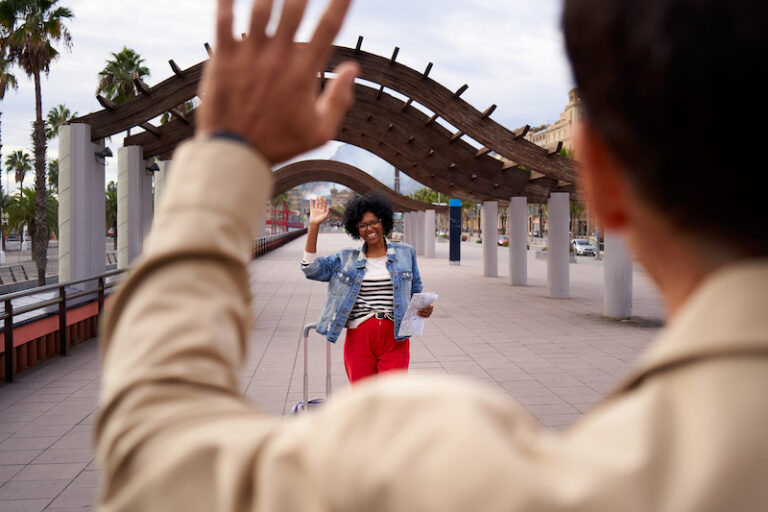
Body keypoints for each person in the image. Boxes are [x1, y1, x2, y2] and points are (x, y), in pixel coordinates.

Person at [96, 0, 768, 510]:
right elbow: (312, 268)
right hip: (364, 338)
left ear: (598, 180)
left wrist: (225, 159)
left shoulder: (471, 468)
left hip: (393, 350)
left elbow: (158, 462)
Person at [300, 194, 433, 382]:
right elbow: (311, 269)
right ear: (357, 229)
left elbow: (416, 293)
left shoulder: (406, 253)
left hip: (395, 338)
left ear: (384, 222)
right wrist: (313, 226)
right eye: (362, 225)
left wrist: (424, 309)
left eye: (373, 222)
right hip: (359, 337)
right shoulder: (347, 258)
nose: (369, 228)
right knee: (364, 398)